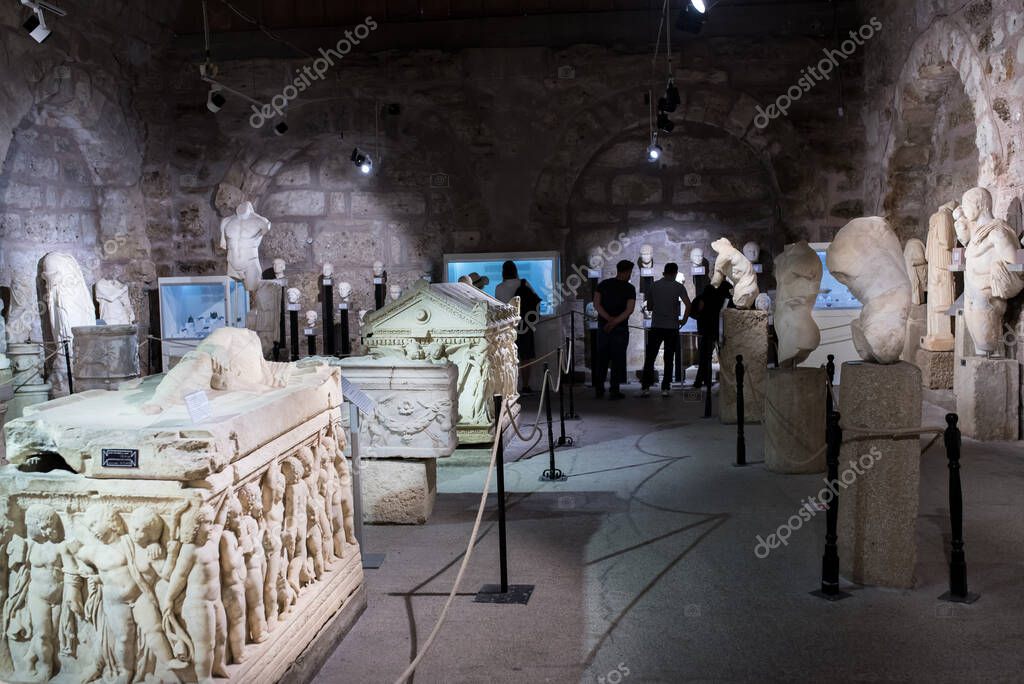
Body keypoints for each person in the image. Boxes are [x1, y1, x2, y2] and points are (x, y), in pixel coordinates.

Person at [641, 263, 691, 397]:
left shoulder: (654, 285)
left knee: (650, 357)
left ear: (664, 272)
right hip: (672, 327)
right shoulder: (678, 286)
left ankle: (645, 387)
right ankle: (665, 387)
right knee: (669, 358)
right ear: (675, 273)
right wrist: (684, 320)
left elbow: (650, 306)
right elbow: (688, 304)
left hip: (657, 325)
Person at [593, 260, 636, 399]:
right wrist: (615, 322)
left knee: (602, 358)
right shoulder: (629, 288)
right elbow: (629, 310)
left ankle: (599, 389)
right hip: (620, 328)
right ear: (627, 271)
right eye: (630, 272)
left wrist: (608, 319)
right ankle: (614, 389)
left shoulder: (603, 285)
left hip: (604, 327)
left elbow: (597, 304)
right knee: (617, 359)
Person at [495, 261, 540, 393]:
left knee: (508, 357)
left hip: (507, 327)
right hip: (525, 324)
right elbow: (535, 300)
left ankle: (511, 386)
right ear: (515, 270)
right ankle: (525, 385)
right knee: (526, 357)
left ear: (503, 271)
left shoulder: (499, 287)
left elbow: (498, 308)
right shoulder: (524, 283)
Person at [690, 282, 730, 389]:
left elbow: (692, 312)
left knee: (704, 358)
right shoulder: (718, 298)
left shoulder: (701, 298)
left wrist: (699, 315)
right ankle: (704, 381)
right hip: (716, 330)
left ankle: (702, 381)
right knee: (713, 357)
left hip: (704, 331)